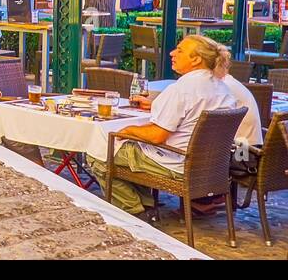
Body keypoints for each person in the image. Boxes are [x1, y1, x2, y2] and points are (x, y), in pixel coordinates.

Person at [87, 35, 240, 216]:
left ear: (196, 59)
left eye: (180, 50)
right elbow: (191, 115)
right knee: (120, 149)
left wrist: (127, 130)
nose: (172, 53)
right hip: (208, 167)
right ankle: (146, 205)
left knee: (99, 151)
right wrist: (155, 106)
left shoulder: (181, 89)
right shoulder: (221, 89)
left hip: (174, 162)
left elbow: (157, 136)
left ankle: (132, 210)